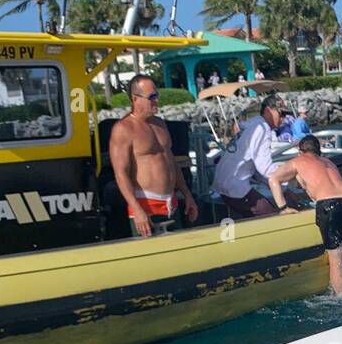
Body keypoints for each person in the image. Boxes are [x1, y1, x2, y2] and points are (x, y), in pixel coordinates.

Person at [267, 134, 342, 294]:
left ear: (300, 151)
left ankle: (341, 298)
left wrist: (283, 208)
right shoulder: (329, 162)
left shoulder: (297, 161)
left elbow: (273, 179)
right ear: (319, 150)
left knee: (336, 258)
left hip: (328, 207)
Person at [109, 74, 198, 237]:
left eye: (157, 95)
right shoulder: (124, 129)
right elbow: (120, 174)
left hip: (171, 204)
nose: (157, 100)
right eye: (152, 97)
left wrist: (186, 193)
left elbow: (171, 161)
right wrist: (136, 208)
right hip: (146, 206)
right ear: (136, 99)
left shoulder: (160, 124)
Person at [213, 95, 286, 218]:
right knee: (272, 215)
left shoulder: (252, 124)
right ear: (268, 110)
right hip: (235, 187)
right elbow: (265, 169)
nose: (283, 118)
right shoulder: (263, 129)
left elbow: (257, 168)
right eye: (281, 113)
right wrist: (288, 177)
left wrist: (283, 187)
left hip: (222, 184)